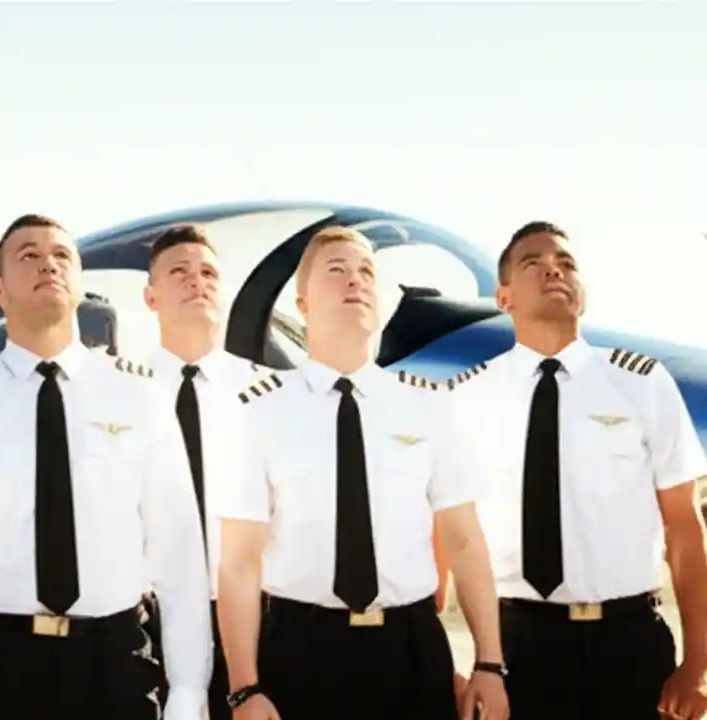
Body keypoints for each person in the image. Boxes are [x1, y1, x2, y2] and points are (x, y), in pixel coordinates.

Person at [0, 213, 212, 720]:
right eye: (28, 255)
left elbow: (179, 555)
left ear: (80, 285)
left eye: (62, 256)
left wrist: (187, 689)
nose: (48, 264)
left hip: (115, 659)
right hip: (2, 664)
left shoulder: (141, 397)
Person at [216, 226, 509, 720]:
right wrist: (244, 689)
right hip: (301, 654)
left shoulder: (429, 406)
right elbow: (239, 563)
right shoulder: (257, 413)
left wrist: (489, 663)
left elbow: (463, 539)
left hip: (411, 652)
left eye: (366, 272)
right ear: (303, 304)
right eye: (337, 270)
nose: (356, 280)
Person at [445, 221, 707, 720]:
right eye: (534, 263)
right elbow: (443, 531)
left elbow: (683, 526)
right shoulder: (464, 397)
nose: (554, 271)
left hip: (629, 646)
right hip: (515, 648)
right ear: (503, 297)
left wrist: (696, 665)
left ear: (582, 291)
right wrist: (450, 666)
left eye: (566, 263)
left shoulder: (642, 383)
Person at [141, 223, 276, 720]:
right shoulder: (122, 394)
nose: (196, 281)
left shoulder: (270, 395)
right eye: (179, 272)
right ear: (150, 297)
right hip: (148, 623)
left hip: (255, 622)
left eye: (208, 273)